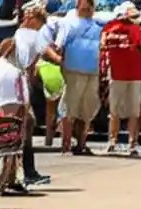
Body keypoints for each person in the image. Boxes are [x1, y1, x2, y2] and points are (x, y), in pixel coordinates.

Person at [14, 1, 57, 185]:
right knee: (27, 125)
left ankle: (25, 171)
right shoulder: (33, 35)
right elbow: (43, 54)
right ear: (32, 19)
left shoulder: (18, 33)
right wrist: (59, 59)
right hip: (22, 82)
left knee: (24, 125)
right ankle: (27, 172)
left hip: (17, 80)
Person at [53, 0, 102, 155]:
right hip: (73, 71)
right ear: (77, 7)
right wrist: (60, 61)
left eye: (90, 7)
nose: (87, 10)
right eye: (85, 7)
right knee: (69, 108)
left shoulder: (97, 25)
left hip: (92, 72)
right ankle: (66, 144)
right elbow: (58, 45)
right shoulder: (69, 23)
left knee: (87, 109)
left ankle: (81, 143)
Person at [101, 3, 141, 155]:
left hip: (130, 74)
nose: (135, 18)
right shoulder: (112, 27)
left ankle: (128, 143)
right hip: (121, 74)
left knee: (129, 110)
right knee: (119, 110)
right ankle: (116, 142)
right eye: (132, 15)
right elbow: (103, 44)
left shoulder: (134, 29)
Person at [0, 38, 30, 195]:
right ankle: (4, 183)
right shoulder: (17, 71)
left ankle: (5, 181)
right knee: (14, 147)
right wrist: (25, 113)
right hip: (15, 106)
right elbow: (24, 97)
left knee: (3, 144)